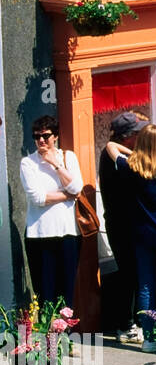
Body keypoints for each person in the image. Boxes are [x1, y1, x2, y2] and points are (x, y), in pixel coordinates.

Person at [105, 125, 156, 355]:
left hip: (142, 233)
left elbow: (110, 146)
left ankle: (149, 338)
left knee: (146, 287)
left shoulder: (131, 168)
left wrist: (135, 154)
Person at [20, 115, 84, 310]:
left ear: (55, 136)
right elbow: (38, 198)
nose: (41, 140)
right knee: (45, 292)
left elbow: (77, 187)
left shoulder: (68, 157)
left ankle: (64, 337)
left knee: (66, 291)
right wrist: (67, 195)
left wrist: (55, 165)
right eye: (36, 136)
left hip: (67, 234)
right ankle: (49, 336)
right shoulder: (28, 163)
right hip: (40, 235)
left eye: (45, 136)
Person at [100, 111, 148, 343]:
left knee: (135, 274)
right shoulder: (112, 156)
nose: (141, 137)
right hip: (122, 225)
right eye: (138, 133)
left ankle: (132, 321)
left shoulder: (123, 153)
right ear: (126, 137)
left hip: (129, 224)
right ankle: (125, 325)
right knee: (129, 274)